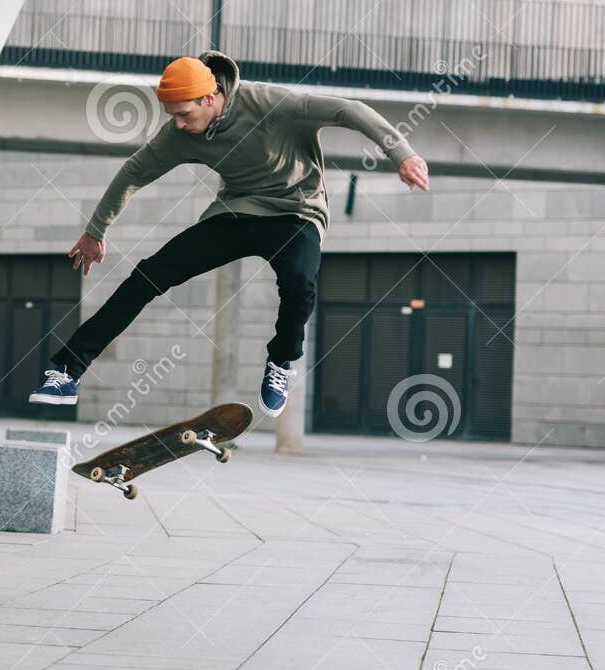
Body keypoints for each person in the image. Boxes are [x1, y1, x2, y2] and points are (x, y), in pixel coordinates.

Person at [29, 50, 429, 416]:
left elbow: (348, 109)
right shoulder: (179, 134)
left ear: (210, 98)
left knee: (299, 282)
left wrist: (402, 153)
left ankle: (281, 360)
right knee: (149, 274)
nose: (178, 124)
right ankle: (68, 370)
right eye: (172, 116)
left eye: (184, 114)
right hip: (236, 211)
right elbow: (134, 172)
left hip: (297, 211)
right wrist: (95, 231)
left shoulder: (267, 103)